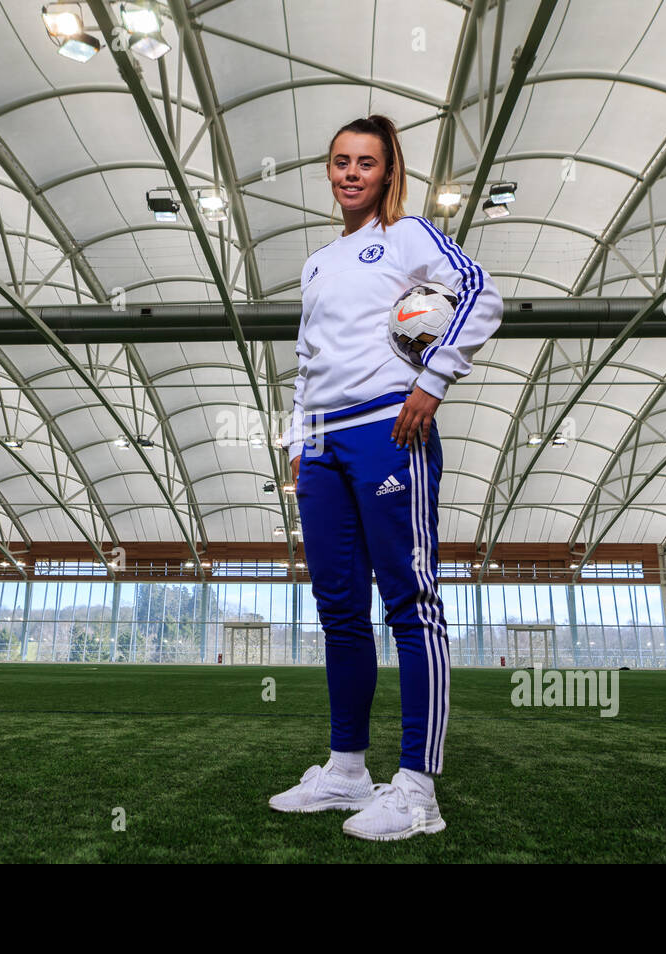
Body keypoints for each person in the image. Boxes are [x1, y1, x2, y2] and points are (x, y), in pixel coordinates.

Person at [268, 115, 503, 841]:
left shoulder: (407, 236)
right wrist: (299, 443)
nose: (350, 173)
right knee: (339, 612)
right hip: (325, 448)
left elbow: (481, 295)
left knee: (410, 603)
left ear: (388, 170)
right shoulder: (315, 262)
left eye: (365, 162)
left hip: (389, 429)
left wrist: (432, 382)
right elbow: (308, 361)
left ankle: (417, 789)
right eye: (340, 160)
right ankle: (345, 770)